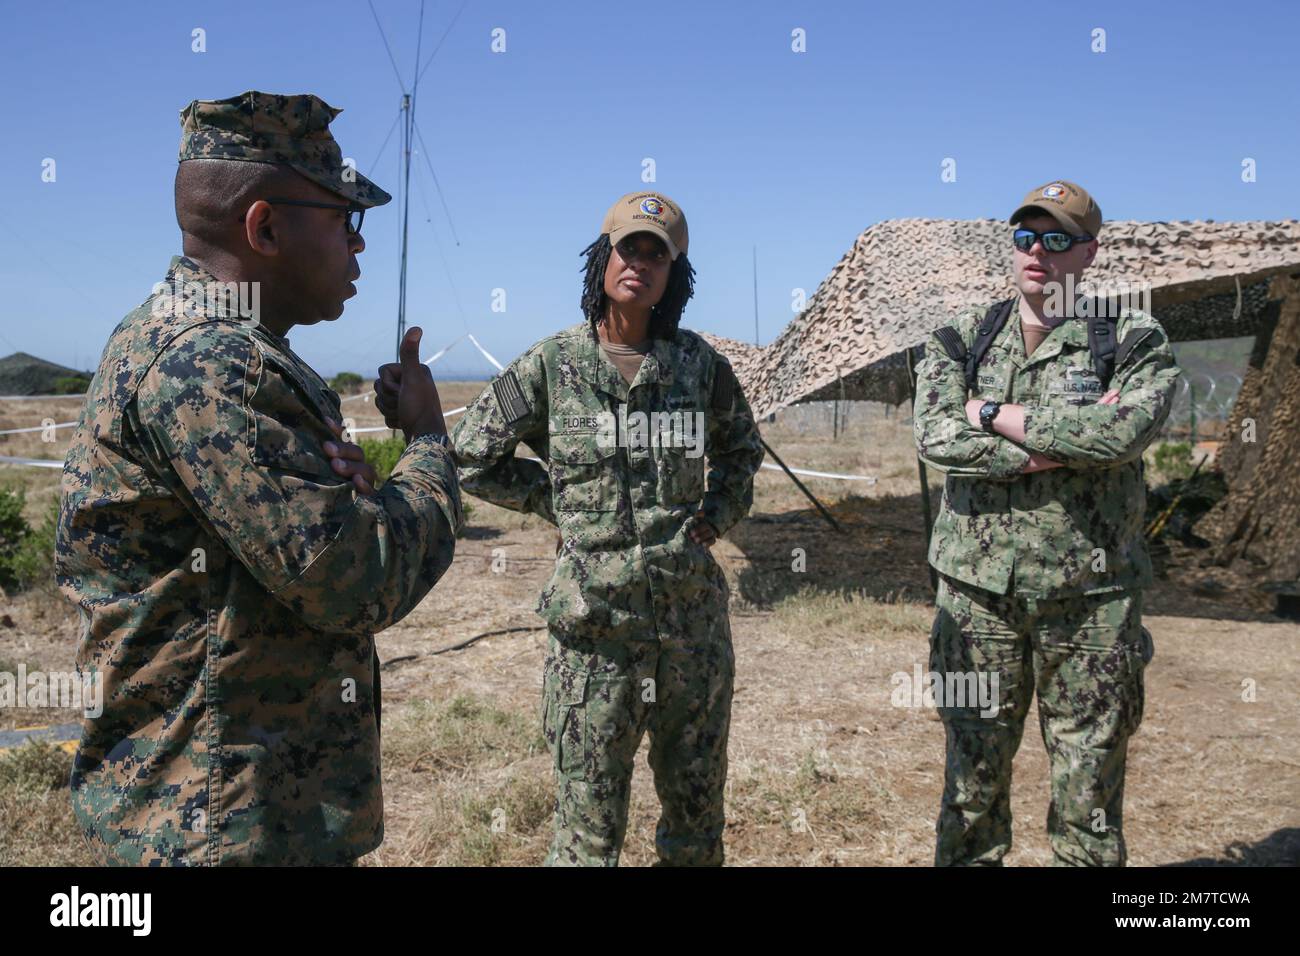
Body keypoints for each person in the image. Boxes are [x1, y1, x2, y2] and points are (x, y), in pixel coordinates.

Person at [55, 91, 460, 866]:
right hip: (222, 822)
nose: (357, 246)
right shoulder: (217, 365)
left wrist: (359, 497)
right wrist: (428, 444)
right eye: (346, 220)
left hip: (228, 805)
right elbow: (356, 577)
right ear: (265, 227)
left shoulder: (189, 338)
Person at [379, 191, 764, 865]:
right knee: (587, 840)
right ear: (602, 259)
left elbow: (742, 449)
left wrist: (717, 513)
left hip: (692, 639)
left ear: (675, 274)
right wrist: (556, 500)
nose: (640, 263)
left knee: (698, 828)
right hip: (594, 646)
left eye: (658, 254)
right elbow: (471, 456)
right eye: (629, 248)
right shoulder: (553, 366)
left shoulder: (699, 366)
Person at [912, 179, 1181, 866]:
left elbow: (1123, 433)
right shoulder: (961, 337)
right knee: (970, 788)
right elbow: (935, 437)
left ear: (1089, 251)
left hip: (1091, 603)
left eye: (1057, 238)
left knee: (1087, 797)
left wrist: (990, 415)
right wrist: (1060, 444)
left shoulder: (1130, 336)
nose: (1038, 251)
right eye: (1026, 237)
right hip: (977, 599)